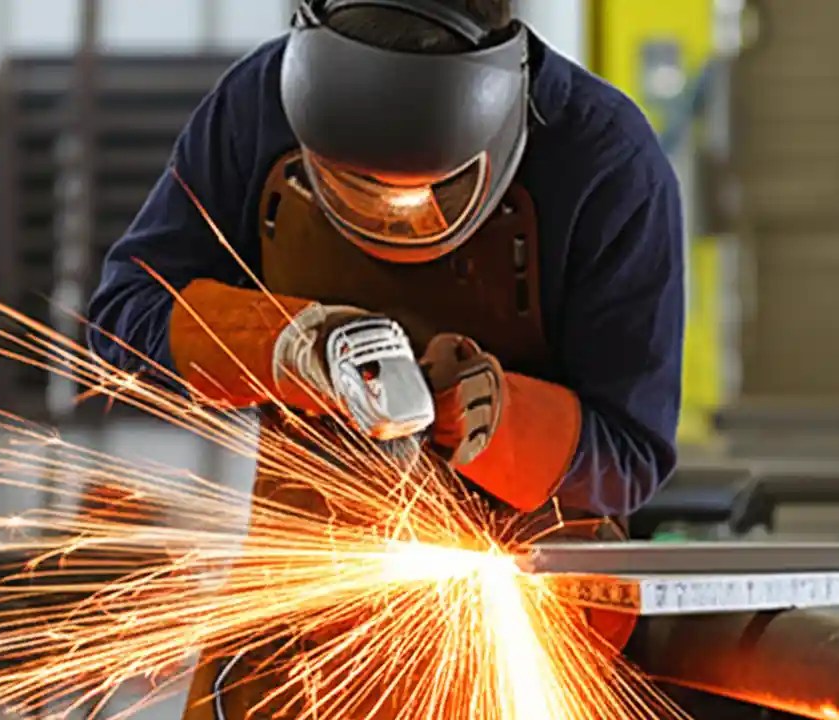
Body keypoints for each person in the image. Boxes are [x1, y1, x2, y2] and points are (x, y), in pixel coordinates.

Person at [88, 0, 684, 716]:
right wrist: (282, 342)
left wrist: (501, 421)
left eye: (423, 190)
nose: (386, 213)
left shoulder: (603, 159)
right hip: (299, 621)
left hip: (512, 640)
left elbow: (632, 452)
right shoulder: (258, 107)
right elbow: (124, 319)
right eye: (352, 183)